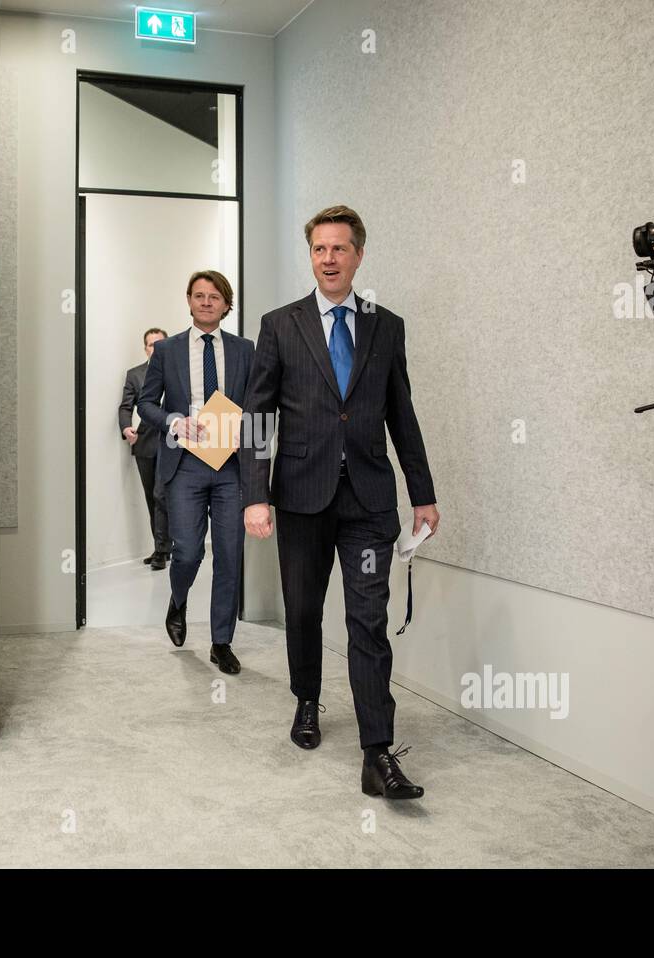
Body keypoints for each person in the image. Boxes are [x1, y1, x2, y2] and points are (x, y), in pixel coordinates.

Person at [240, 205, 440, 799]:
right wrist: (256, 493)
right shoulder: (281, 324)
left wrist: (422, 492)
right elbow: (256, 416)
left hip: (368, 503)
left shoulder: (386, 325)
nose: (329, 258)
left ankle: (377, 752)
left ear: (358, 256)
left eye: (340, 249)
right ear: (311, 256)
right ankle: (307, 700)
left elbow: (401, 413)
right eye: (319, 249)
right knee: (302, 613)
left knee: (368, 622)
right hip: (302, 497)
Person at [138, 271, 254, 675]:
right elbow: (146, 403)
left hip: (230, 467)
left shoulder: (245, 349)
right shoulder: (167, 350)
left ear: (226, 304)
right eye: (199, 296)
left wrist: (249, 433)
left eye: (215, 296)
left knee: (228, 554)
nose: (207, 302)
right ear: (189, 301)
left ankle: (221, 642)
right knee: (187, 550)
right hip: (183, 462)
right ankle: (179, 598)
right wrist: (172, 420)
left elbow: (260, 403)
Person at [119, 328, 171, 570]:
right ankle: (162, 546)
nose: (155, 348)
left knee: (163, 495)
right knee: (153, 497)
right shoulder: (135, 374)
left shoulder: (178, 371)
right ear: (145, 348)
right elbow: (126, 406)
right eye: (151, 345)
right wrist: (126, 428)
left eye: (160, 343)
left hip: (173, 441)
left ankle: (163, 549)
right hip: (145, 442)